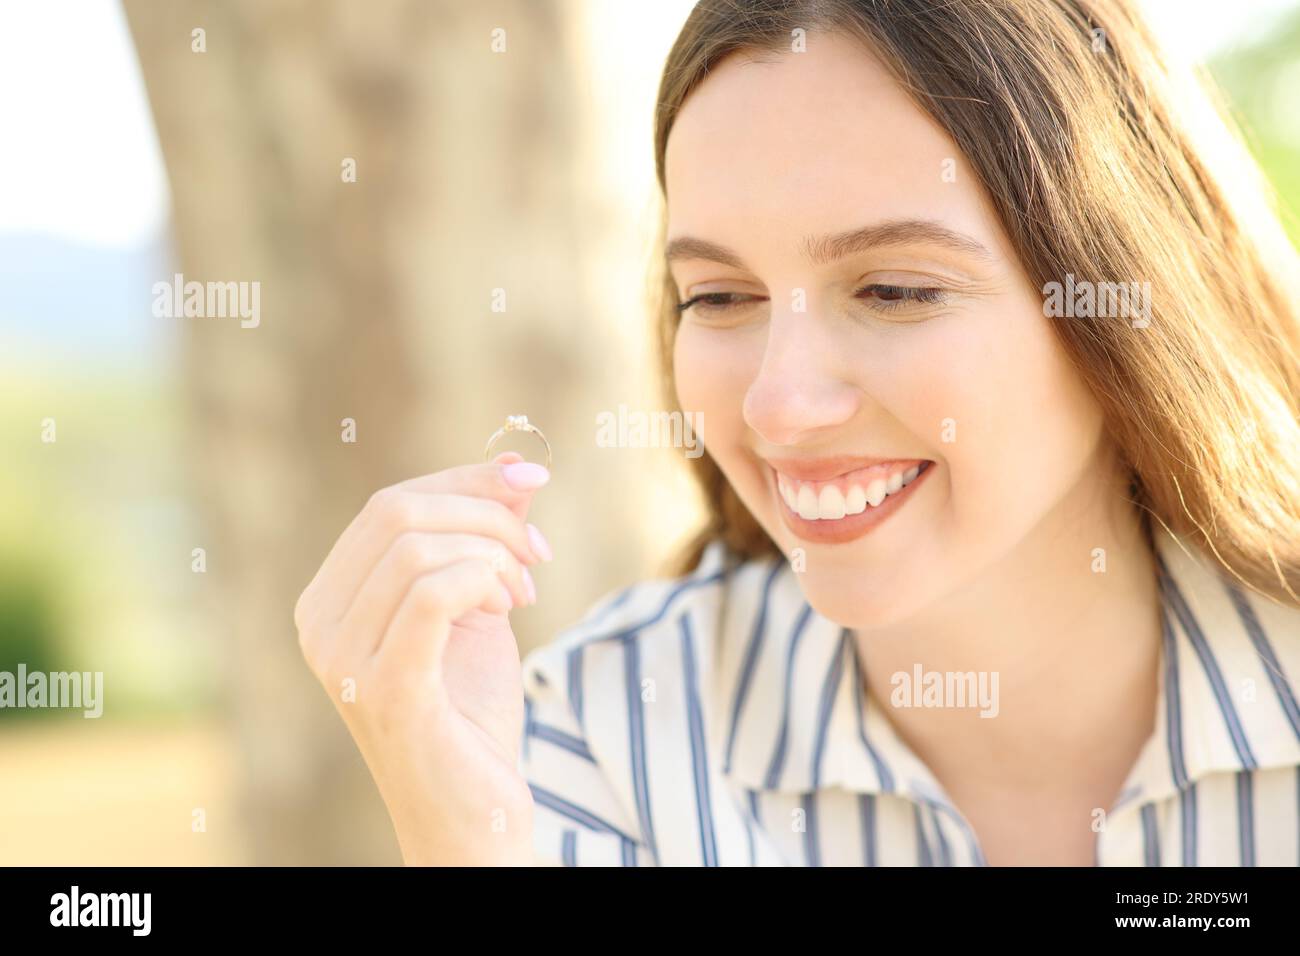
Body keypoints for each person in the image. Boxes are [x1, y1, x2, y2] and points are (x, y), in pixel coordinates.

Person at [294, 0, 1300, 865]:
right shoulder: (600, 736)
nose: (777, 405)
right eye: (721, 296)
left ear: (1123, 299)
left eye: (895, 287)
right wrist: (465, 841)